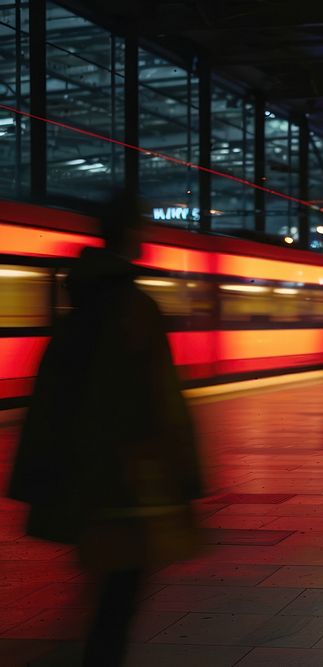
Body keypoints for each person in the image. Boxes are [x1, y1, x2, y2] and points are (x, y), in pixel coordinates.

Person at [7, 191, 203, 666]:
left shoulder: (77, 310)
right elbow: (161, 399)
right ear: (132, 233)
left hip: (82, 474)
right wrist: (187, 475)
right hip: (128, 479)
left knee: (103, 585)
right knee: (120, 594)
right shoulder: (135, 309)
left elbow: (50, 399)